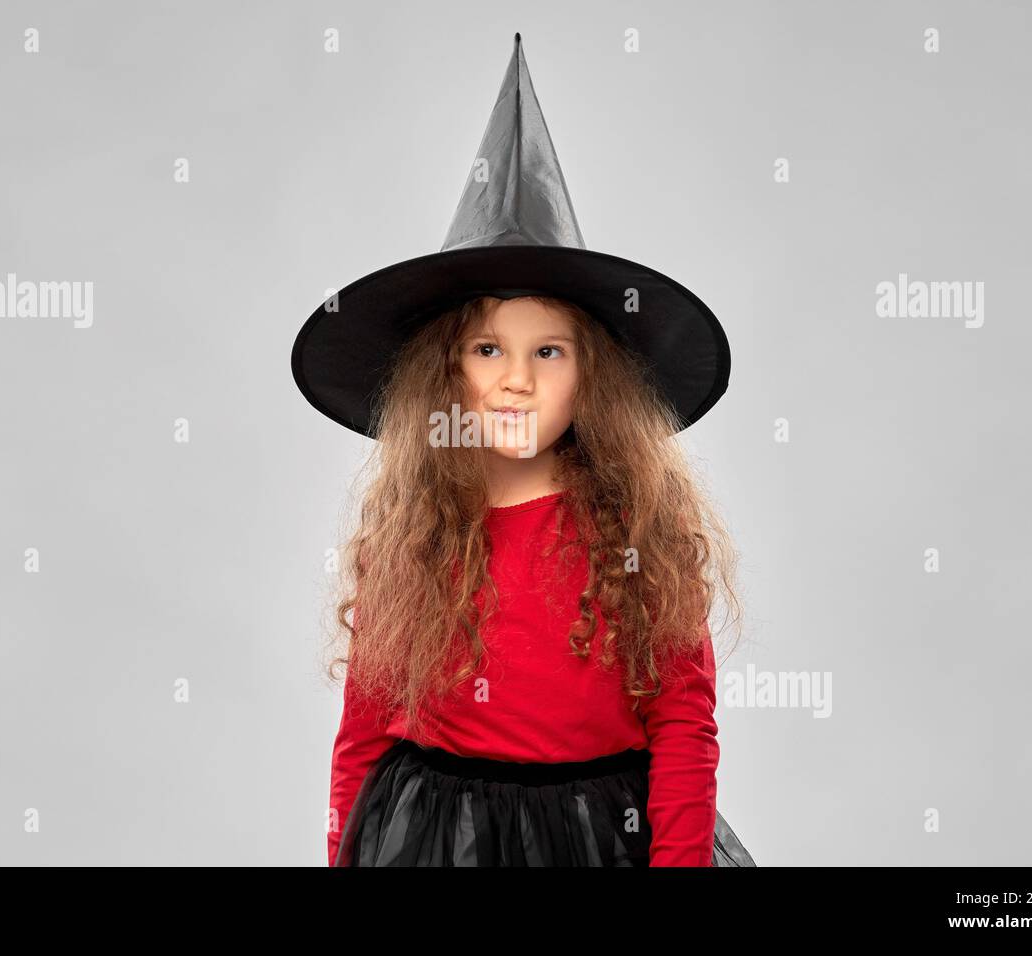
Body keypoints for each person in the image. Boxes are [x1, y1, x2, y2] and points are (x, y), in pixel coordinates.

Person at [291, 34, 754, 866]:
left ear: (591, 379)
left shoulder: (636, 529)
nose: (515, 381)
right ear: (447, 375)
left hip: (596, 838)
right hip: (435, 838)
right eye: (486, 351)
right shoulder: (410, 536)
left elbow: (684, 728)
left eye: (548, 352)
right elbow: (361, 734)